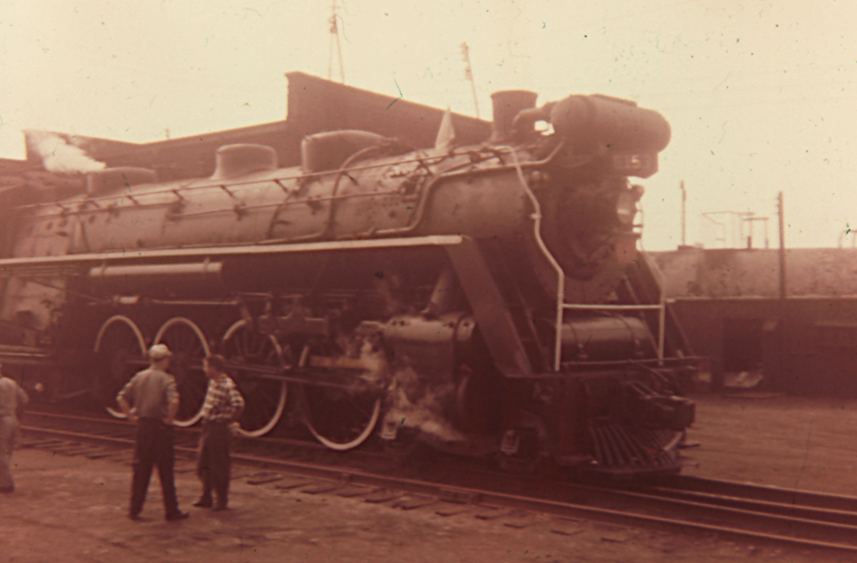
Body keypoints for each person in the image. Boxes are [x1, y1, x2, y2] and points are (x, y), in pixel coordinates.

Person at [116, 343, 189, 521]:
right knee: (165, 472)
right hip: (161, 430)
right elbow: (174, 401)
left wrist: (130, 416)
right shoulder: (167, 379)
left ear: (150, 359)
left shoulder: (139, 376)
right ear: (164, 360)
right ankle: (171, 511)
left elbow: (121, 398)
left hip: (143, 428)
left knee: (140, 470)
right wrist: (169, 419)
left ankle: (134, 510)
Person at [194, 354, 244, 511]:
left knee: (219, 465)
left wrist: (229, 421)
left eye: (206, 366)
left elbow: (239, 404)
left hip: (218, 428)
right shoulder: (213, 382)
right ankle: (206, 496)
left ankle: (221, 500)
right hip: (208, 426)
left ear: (214, 368)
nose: (204, 369)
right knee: (203, 463)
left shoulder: (227, 385)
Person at [0, 364, 29, 493]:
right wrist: (18, 414)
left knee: (1, 453)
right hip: (12, 418)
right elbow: (24, 400)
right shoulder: (11, 383)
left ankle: (6, 485)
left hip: (1, 420)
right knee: (7, 452)